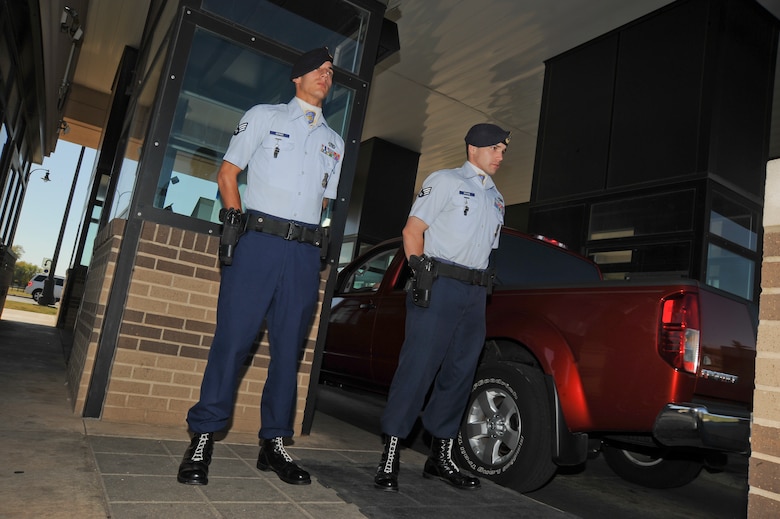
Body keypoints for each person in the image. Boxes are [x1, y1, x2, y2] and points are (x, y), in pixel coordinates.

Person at [177, 47, 343, 486]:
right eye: (318, 69)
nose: (325, 76)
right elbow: (228, 173)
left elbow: (323, 202)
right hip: (259, 244)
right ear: (296, 77)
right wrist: (234, 222)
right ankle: (203, 437)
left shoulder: (334, 142)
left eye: (330, 71)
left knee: (289, 351)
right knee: (232, 341)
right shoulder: (264, 117)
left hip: (304, 254)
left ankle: (274, 443)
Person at [374, 123, 509, 492]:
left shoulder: (497, 198)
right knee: (417, 369)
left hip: (476, 291)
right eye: (495, 148)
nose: (500, 155)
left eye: (503, 150)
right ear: (474, 148)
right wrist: (418, 273)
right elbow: (412, 230)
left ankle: (440, 456)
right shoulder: (446, 181)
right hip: (440, 285)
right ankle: (390, 454)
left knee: (460, 374)